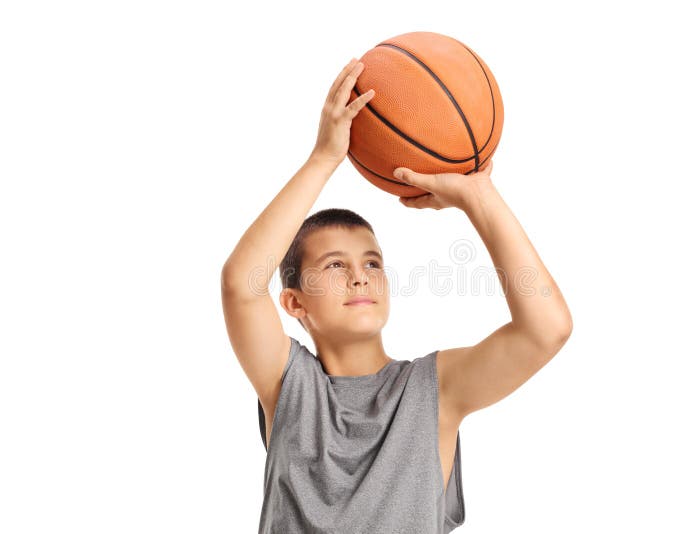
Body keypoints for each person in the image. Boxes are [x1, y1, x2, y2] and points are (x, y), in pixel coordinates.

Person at [221, 57, 573, 533]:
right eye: (335, 266)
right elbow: (240, 283)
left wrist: (478, 197)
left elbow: (548, 329)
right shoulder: (289, 386)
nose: (360, 277)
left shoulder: (434, 389)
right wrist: (324, 158)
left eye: (372, 263)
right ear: (295, 303)